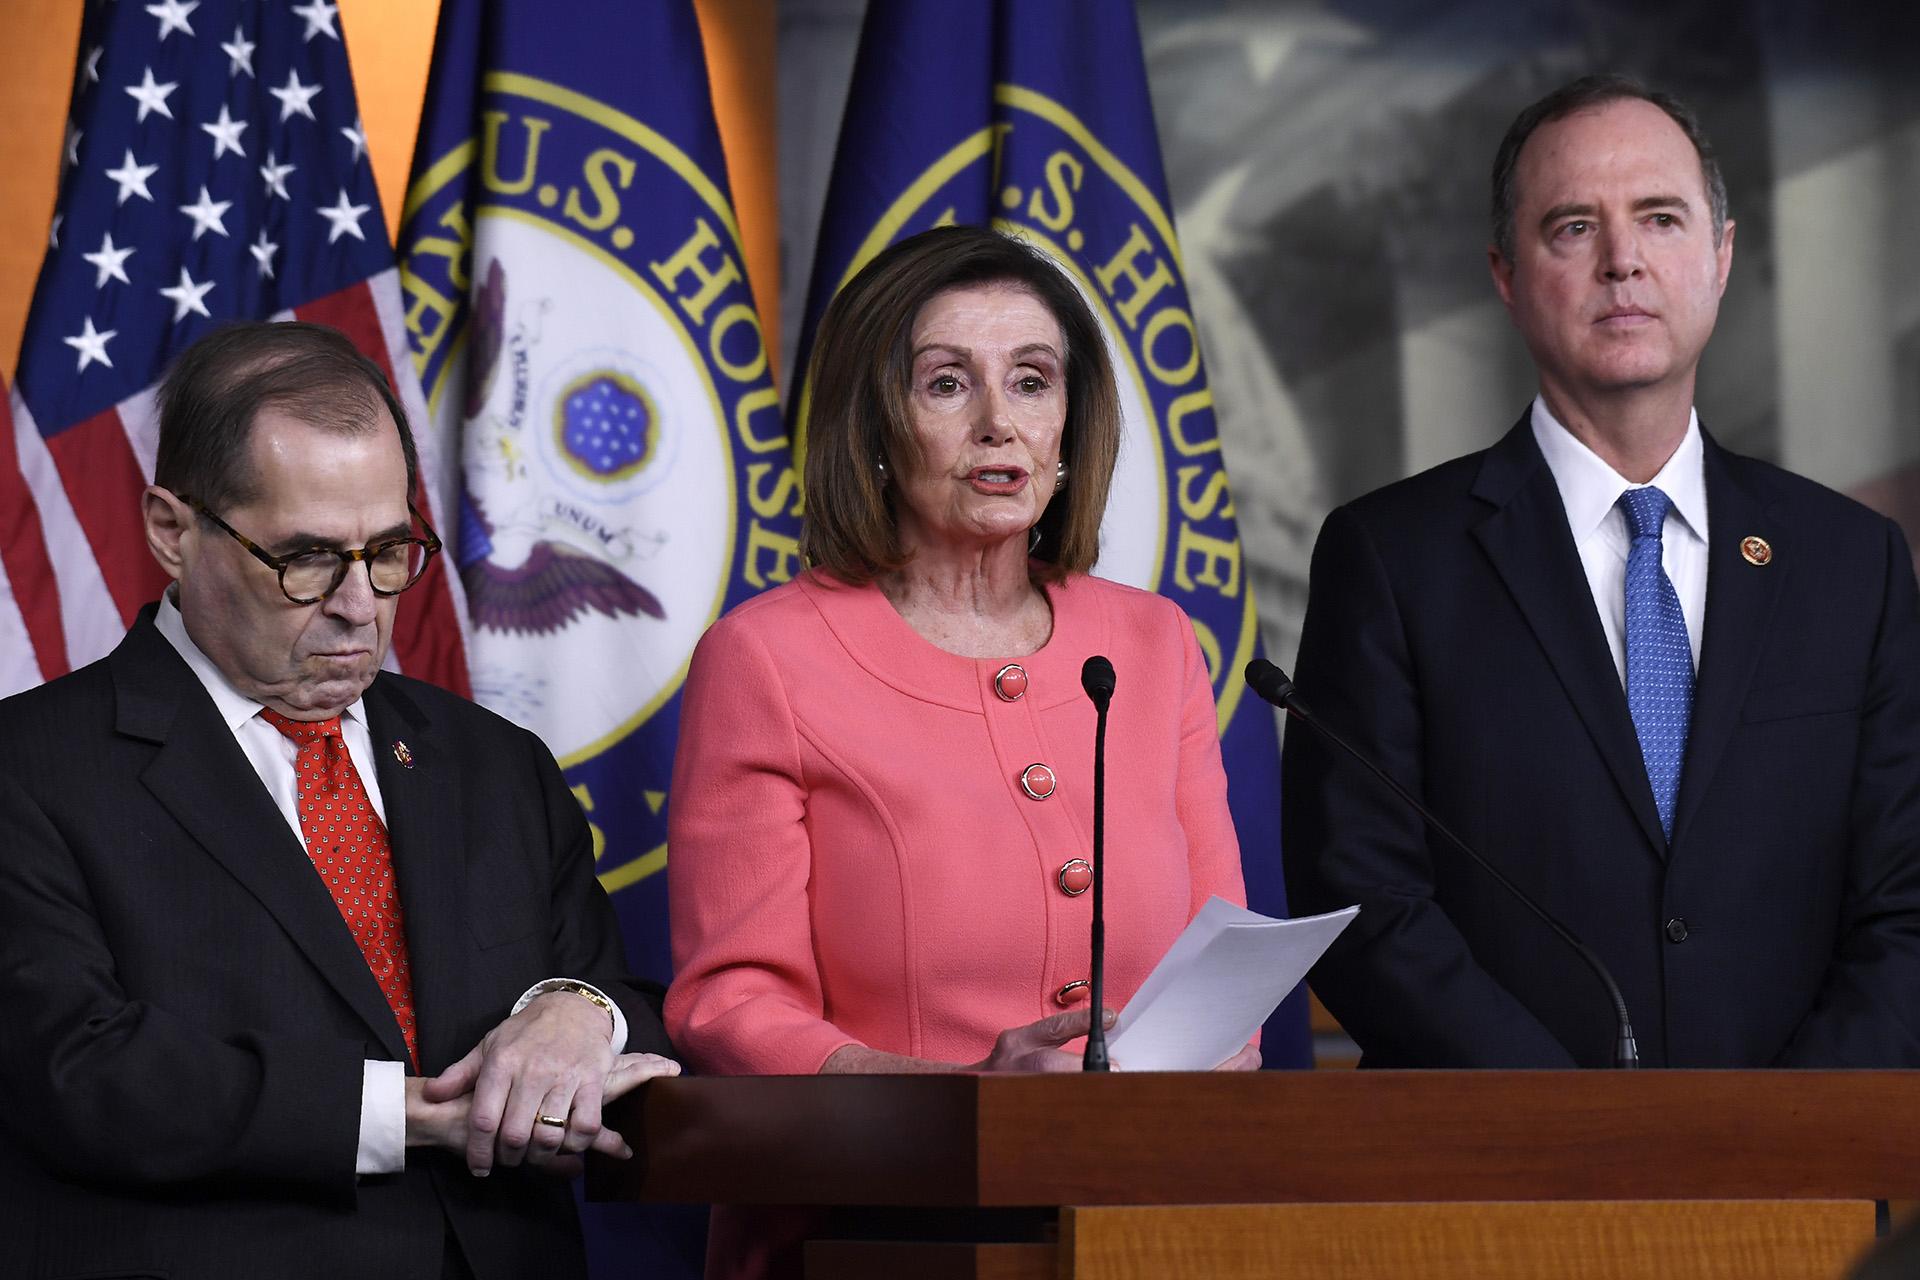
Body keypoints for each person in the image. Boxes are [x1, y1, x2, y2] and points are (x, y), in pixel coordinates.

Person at [0, 322, 679, 1280]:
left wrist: (576, 1013)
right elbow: (77, 1072)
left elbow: (628, 1004)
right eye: (307, 559)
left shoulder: (495, 764)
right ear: (172, 531)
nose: (360, 605)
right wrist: (397, 1118)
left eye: (390, 551)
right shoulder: (30, 768)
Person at [1282, 73, 1920, 1068]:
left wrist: (1783, 1139)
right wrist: (1580, 1135)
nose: (1623, 261)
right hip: (1505, 1180)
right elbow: (1363, 900)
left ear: (1720, 255)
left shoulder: (1853, 561)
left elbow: (1907, 901)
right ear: (1505, 273)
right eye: (1573, 227)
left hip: (1808, 1192)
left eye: (1661, 219)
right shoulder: (1393, 558)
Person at [665, 226, 1256, 1273]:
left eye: (1032, 382)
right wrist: (948, 1098)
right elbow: (729, 1003)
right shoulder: (766, 658)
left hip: (1149, 1226)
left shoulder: (1153, 641)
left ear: (1072, 424)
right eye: (947, 384)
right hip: (873, 1229)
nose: (998, 424)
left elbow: (1226, 964)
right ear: (879, 424)